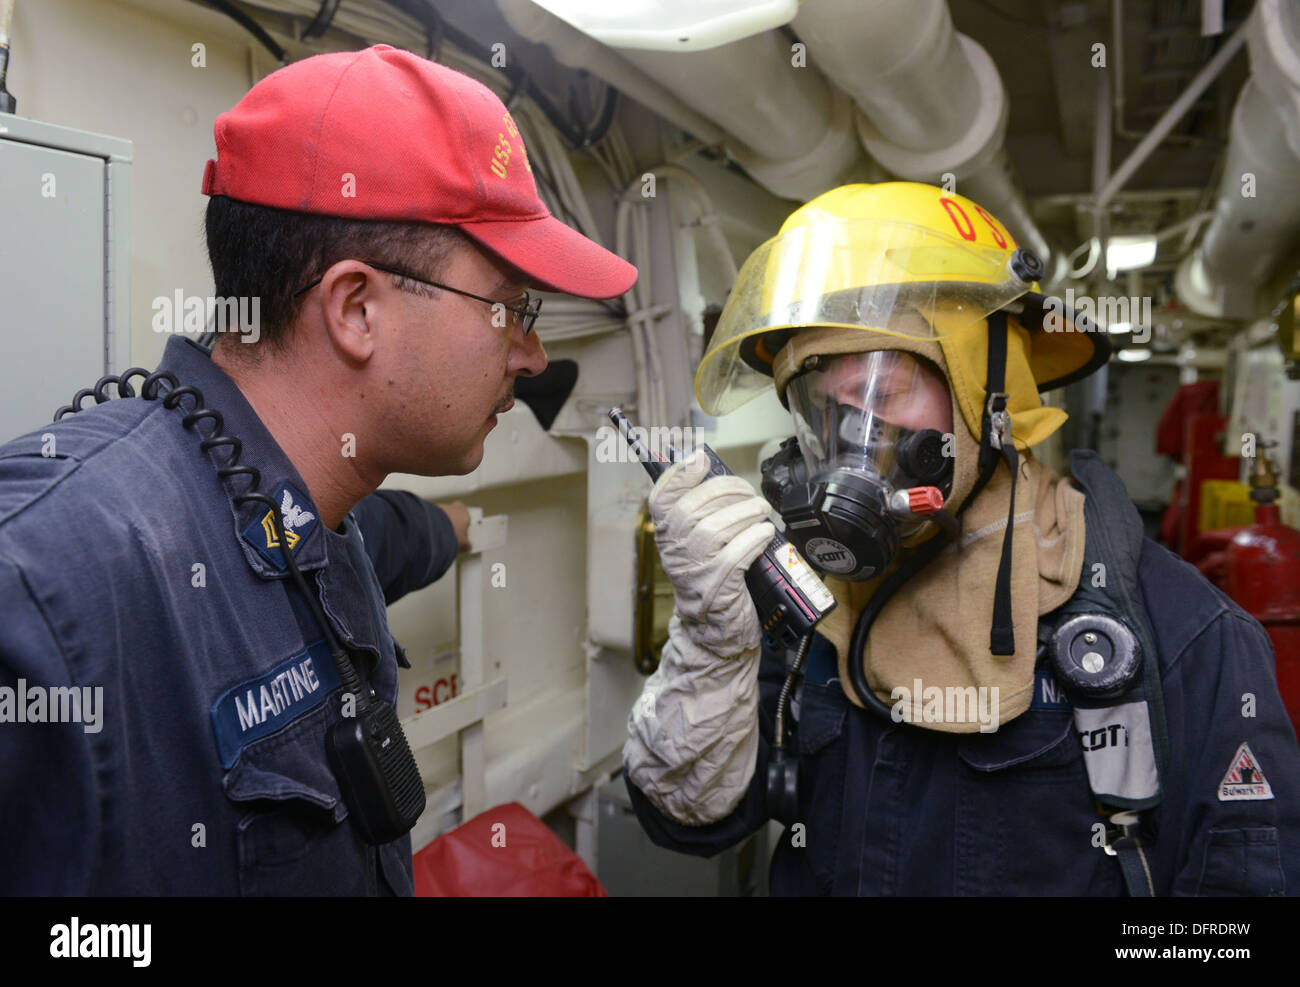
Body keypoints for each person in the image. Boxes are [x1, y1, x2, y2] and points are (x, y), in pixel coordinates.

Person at [0, 44, 635, 895]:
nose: (530, 353)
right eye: (510, 307)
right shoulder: (47, 580)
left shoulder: (318, 518)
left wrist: (452, 528)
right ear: (356, 309)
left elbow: (389, 536)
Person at [623, 181, 1300, 896]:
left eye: (883, 393)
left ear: (990, 389)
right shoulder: (803, 613)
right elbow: (690, 823)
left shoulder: (1181, 634)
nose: (849, 437)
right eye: (823, 404)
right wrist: (709, 647)